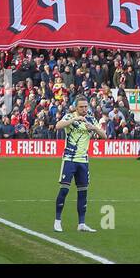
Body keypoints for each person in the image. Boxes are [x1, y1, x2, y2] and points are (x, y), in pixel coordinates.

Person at [54, 95, 106, 233]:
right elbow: (58, 126)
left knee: (83, 192)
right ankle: (57, 221)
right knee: (64, 190)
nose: (84, 109)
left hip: (83, 160)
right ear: (76, 108)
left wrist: (93, 128)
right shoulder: (70, 116)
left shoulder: (91, 118)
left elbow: (104, 135)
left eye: (85, 107)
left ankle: (81, 224)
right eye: (81, 107)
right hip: (69, 159)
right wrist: (73, 119)